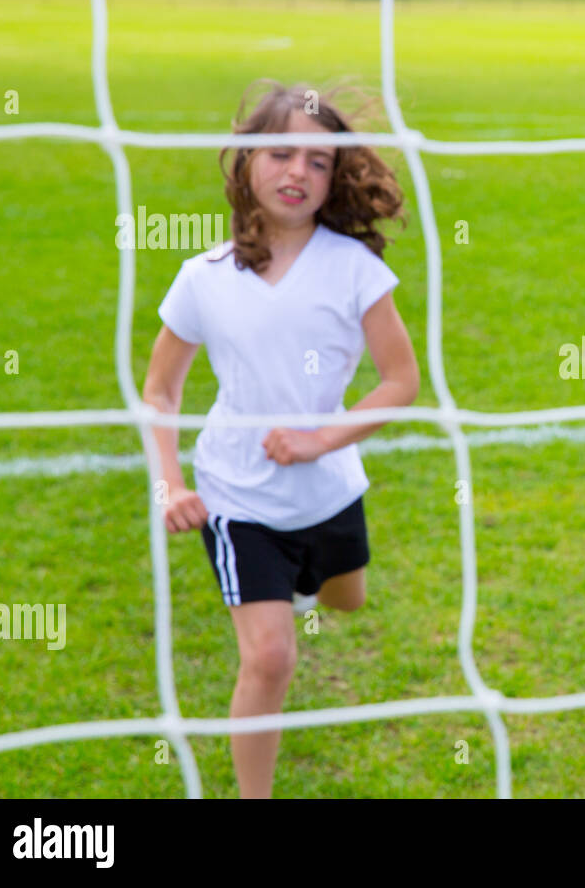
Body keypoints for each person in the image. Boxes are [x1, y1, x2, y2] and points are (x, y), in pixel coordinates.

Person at [142, 80, 420, 798]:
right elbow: (160, 391)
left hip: (329, 491)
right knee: (269, 657)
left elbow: (400, 382)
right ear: (245, 164)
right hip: (238, 499)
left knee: (346, 599)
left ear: (336, 180)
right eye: (280, 152)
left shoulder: (357, 270)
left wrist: (321, 440)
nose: (299, 171)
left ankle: (303, 583)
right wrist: (170, 483)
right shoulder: (201, 279)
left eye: (319, 160)